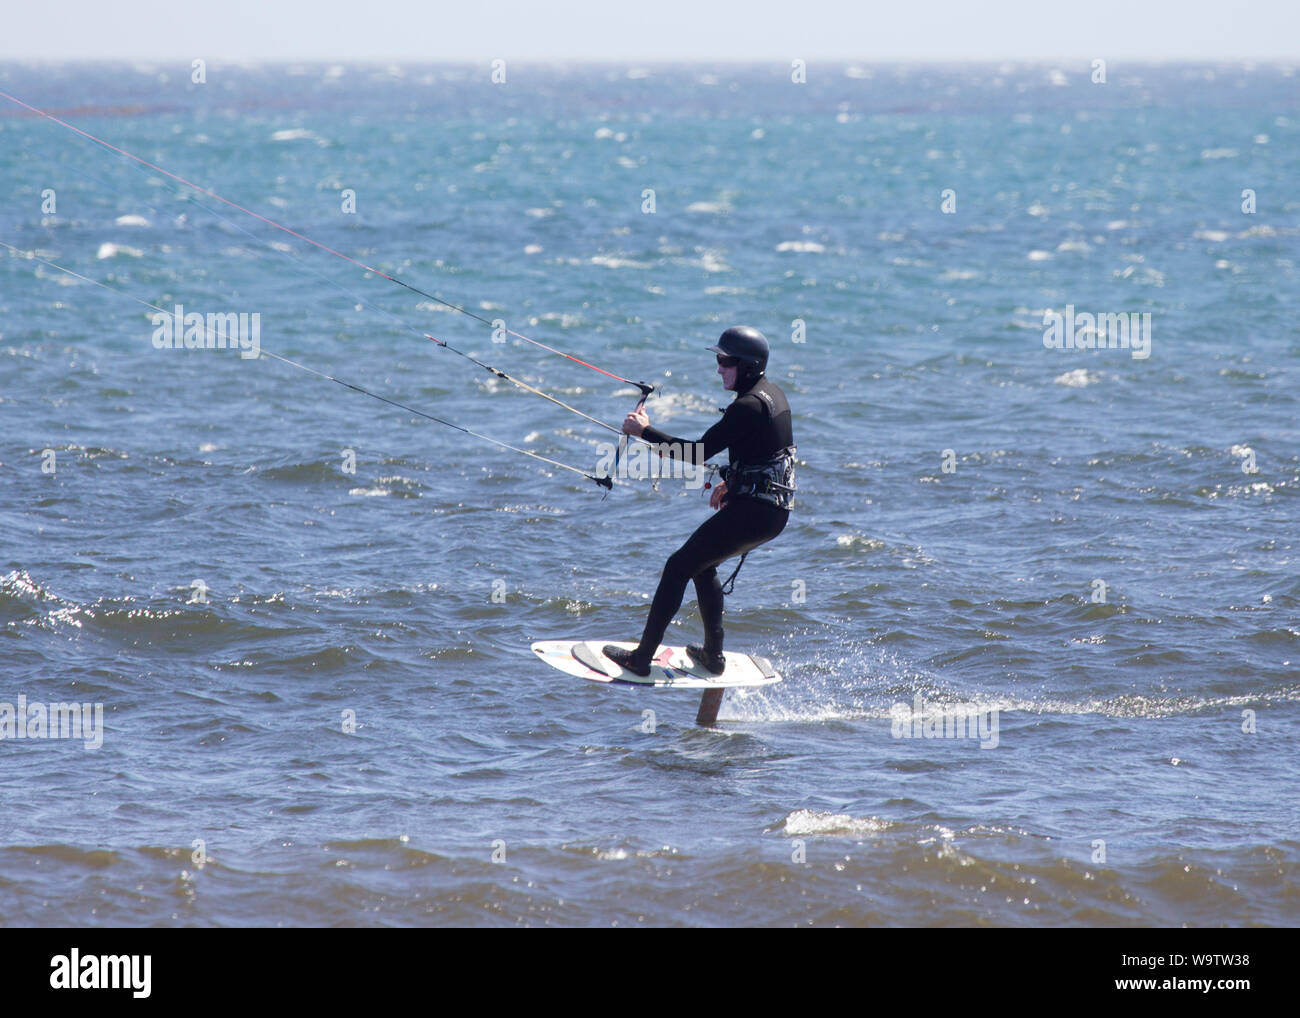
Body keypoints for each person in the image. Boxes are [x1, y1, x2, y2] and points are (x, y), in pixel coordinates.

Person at [603, 326, 796, 677]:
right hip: (770, 510)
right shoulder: (772, 395)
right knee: (702, 565)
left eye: (725, 361)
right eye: (718, 359)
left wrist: (643, 430)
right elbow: (766, 453)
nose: (719, 368)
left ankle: (641, 659)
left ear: (748, 366)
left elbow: (696, 452)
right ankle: (713, 656)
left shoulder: (748, 407)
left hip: (758, 511)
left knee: (678, 567)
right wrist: (732, 481)